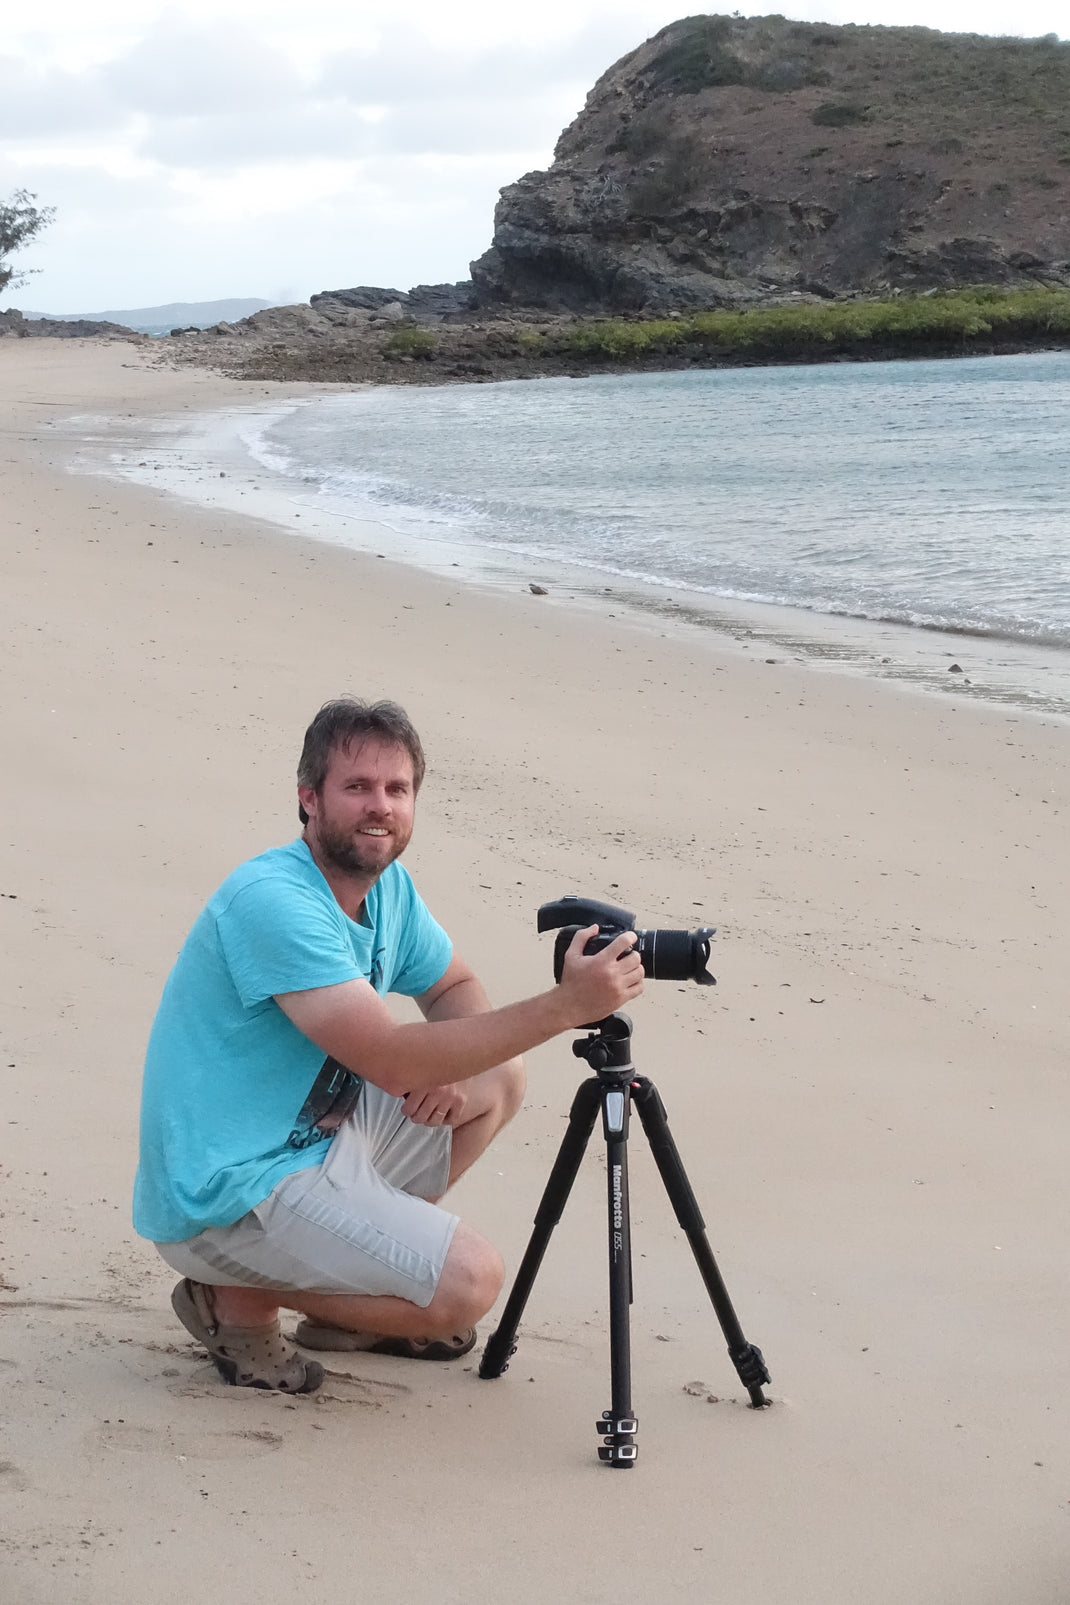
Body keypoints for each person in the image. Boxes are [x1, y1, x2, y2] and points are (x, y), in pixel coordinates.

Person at [134, 697, 644, 1393]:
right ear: (308, 800)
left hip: (318, 1138)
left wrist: (451, 1062)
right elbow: (390, 1057)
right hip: (232, 1183)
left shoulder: (388, 889)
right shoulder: (275, 900)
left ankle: (354, 1300)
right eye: (357, 787)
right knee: (466, 1287)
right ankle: (231, 1299)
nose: (380, 806)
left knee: (497, 1076)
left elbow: (454, 984)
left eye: (397, 789)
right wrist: (565, 1007)